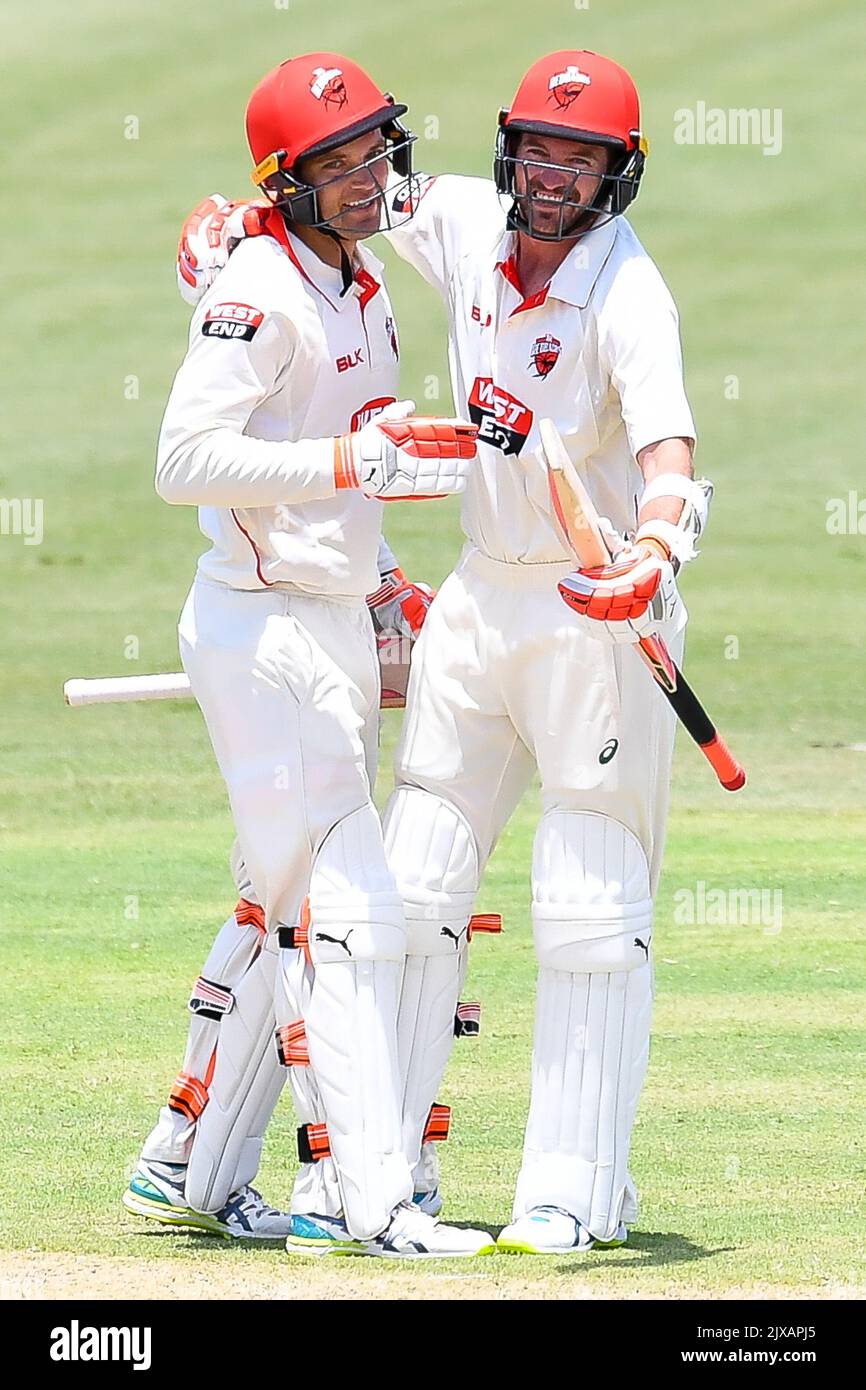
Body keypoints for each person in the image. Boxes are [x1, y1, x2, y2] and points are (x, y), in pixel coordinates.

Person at [178, 47, 713, 1256]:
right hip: (477, 595)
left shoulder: (628, 294)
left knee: (585, 900)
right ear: (506, 151)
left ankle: (569, 1191)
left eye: (578, 159)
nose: (549, 177)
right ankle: (372, 1177)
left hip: (591, 612)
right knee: (407, 892)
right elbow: (329, 191)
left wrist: (655, 552)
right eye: (535, 149)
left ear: (615, 176)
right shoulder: (461, 220)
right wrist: (221, 226)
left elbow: (673, 450)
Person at [122, 51, 493, 1259]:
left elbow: (349, 457)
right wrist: (348, 464)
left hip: (327, 617)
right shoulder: (262, 291)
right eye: (332, 164)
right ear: (284, 186)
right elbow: (185, 463)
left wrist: (382, 573)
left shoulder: (365, 284)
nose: (365, 176)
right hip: (262, 626)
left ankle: (192, 1166)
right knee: (347, 916)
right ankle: (374, 1204)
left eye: (374, 149)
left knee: (286, 910)